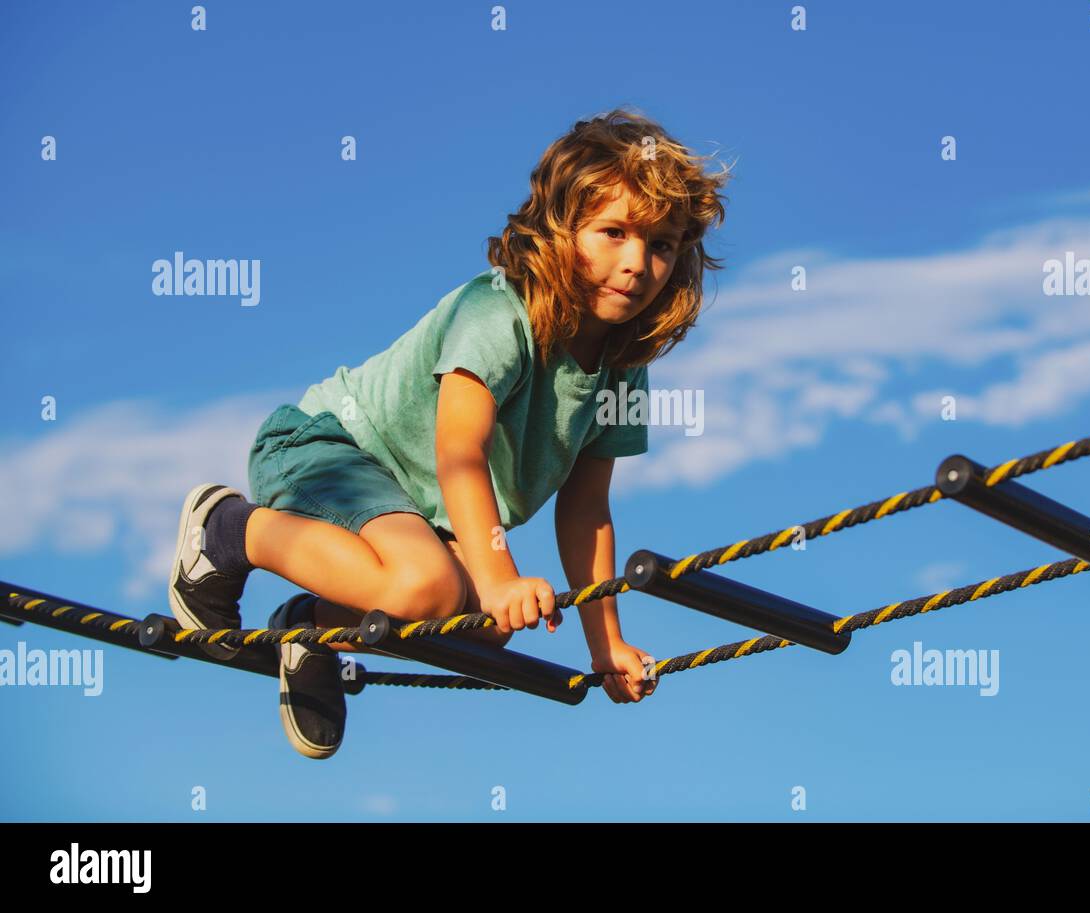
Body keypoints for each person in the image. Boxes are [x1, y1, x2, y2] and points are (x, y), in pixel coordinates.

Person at [165, 108, 732, 759]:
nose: (637, 263)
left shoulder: (621, 370)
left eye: (661, 245)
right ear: (559, 228)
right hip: (332, 450)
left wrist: (604, 642)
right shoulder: (500, 312)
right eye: (613, 232)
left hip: (419, 511)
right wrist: (495, 574)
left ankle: (314, 631)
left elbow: (588, 510)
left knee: (484, 629)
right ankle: (229, 528)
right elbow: (460, 450)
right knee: (430, 587)